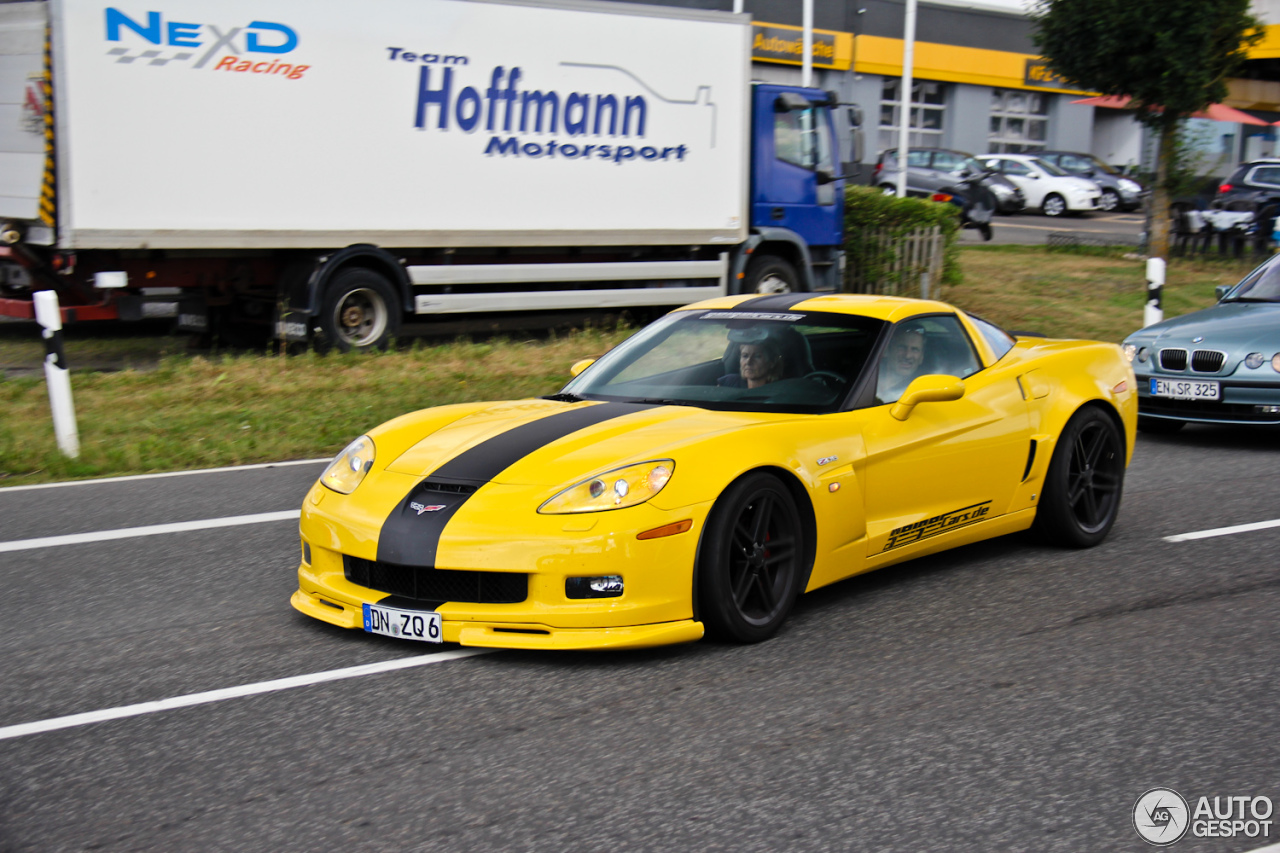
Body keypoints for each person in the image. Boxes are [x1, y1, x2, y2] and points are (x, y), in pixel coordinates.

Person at [718, 328, 785, 389]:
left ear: (772, 362)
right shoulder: (729, 382)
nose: (748, 362)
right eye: (745, 356)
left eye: (757, 356)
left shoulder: (780, 390)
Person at [877, 323, 926, 403]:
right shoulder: (868, 375)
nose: (907, 355)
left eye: (914, 350)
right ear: (887, 351)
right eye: (902, 347)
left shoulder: (922, 391)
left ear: (921, 357)